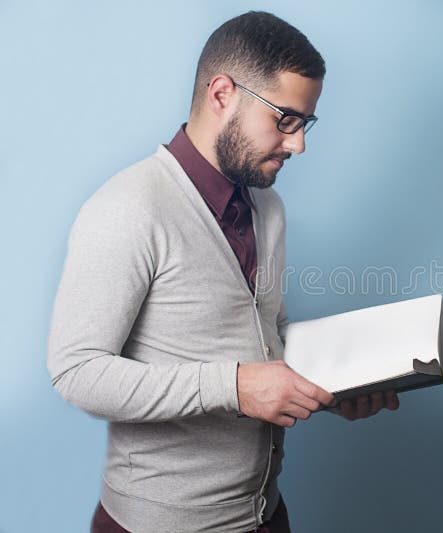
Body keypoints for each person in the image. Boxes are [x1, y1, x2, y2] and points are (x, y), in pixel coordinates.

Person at [47, 11, 397, 533]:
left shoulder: (269, 208)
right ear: (221, 95)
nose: (299, 143)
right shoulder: (128, 207)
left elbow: (263, 338)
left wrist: (328, 389)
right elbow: (76, 371)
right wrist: (233, 387)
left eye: (305, 122)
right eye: (285, 119)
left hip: (264, 516)